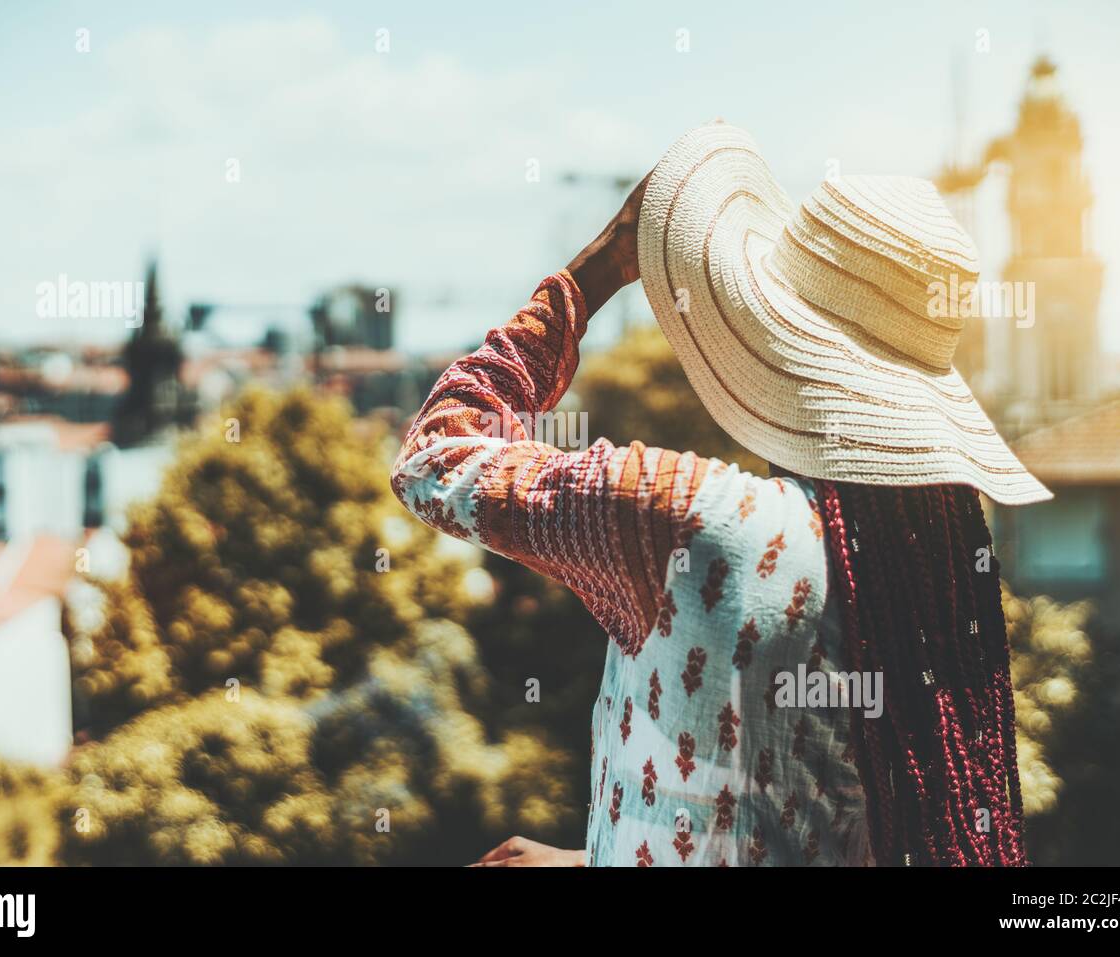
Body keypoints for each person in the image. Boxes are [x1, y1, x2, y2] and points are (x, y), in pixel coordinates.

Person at [391, 122, 1050, 867]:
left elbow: (435, 457)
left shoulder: (685, 518)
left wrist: (597, 270)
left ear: (770, 336)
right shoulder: (934, 570)